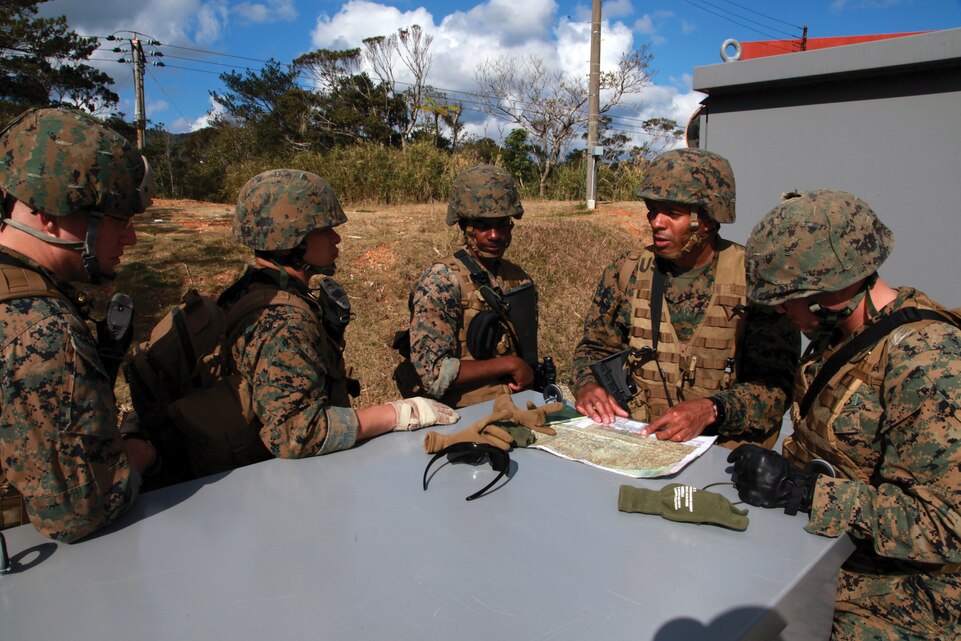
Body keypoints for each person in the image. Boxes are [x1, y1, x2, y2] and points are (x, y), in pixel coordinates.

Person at [729, 189, 961, 640]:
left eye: (787, 298)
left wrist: (803, 490)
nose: (779, 310)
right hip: (826, 559)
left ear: (832, 289)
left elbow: (947, 523)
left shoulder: (927, 360)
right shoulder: (831, 336)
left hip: (902, 600)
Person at [207, 168, 457, 465]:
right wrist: (400, 413)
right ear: (294, 239)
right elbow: (297, 434)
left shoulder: (247, 289)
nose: (336, 238)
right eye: (324, 230)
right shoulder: (284, 322)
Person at [571, 148, 800, 447]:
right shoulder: (626, 271)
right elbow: (593, 349)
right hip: (641, 441)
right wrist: (587, 385)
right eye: (653, 210)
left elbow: (776, 389)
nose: (656, 222)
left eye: (673, 214)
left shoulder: (754, 280)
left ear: (708, 219)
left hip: (722, 453)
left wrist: (713, 409)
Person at [0, 107, 157, 541]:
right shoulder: (43, 332)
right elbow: (77, 513)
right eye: (118, 222)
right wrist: (137, 454)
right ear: (50, 214)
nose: (131, 239)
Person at [395, 165, 542, 408]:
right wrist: (510, 365)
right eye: (483, 225)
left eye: (502, 224)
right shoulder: (441, 281)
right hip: (461, 415)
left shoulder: (519, 278)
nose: (495, 235)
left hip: (517, 405)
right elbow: (434, 374)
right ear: (465, 226)